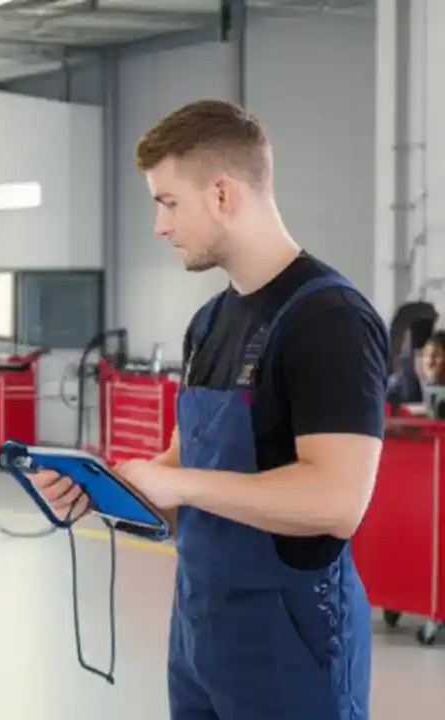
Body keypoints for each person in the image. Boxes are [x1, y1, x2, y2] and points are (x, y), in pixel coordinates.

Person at [31, 100, 386, 719]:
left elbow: (337, 500)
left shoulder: (329, 321)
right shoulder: (209, 323)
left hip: (293, 646)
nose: (159, 225)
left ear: (222, 194)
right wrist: (103, 491)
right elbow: (180, 470)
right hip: (202, 633)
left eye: (168, 202)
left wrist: (180, 483)